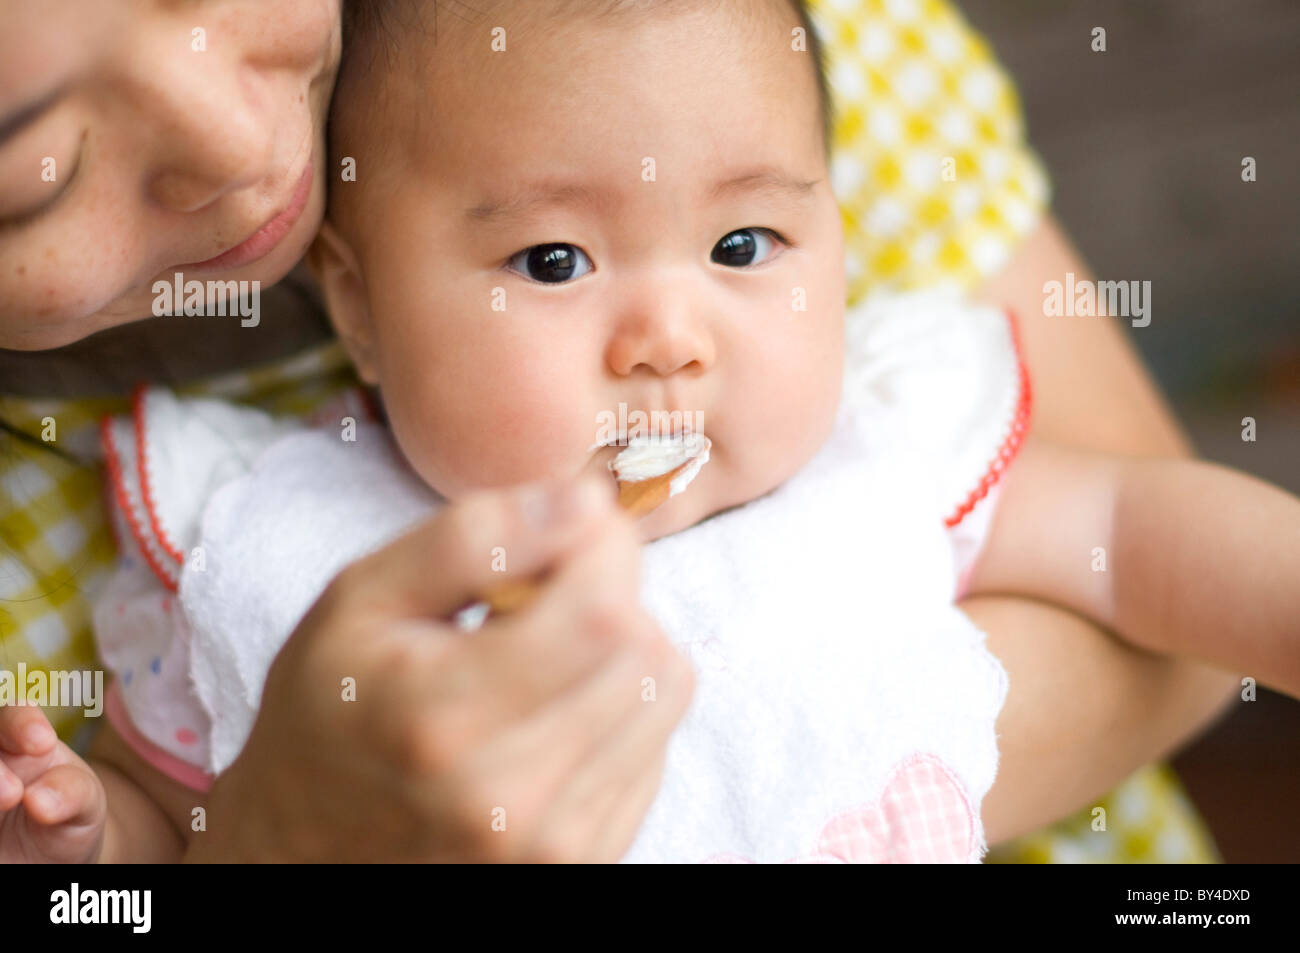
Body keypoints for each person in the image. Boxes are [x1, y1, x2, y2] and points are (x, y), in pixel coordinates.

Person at [0, 0, 1238, 862]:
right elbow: (187, 819)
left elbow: (1136, 534)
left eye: (742, 248)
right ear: (361, 311)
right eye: (552, 260)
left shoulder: (877, 443)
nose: (669, 337)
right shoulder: (276, 536)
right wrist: (98, 833)